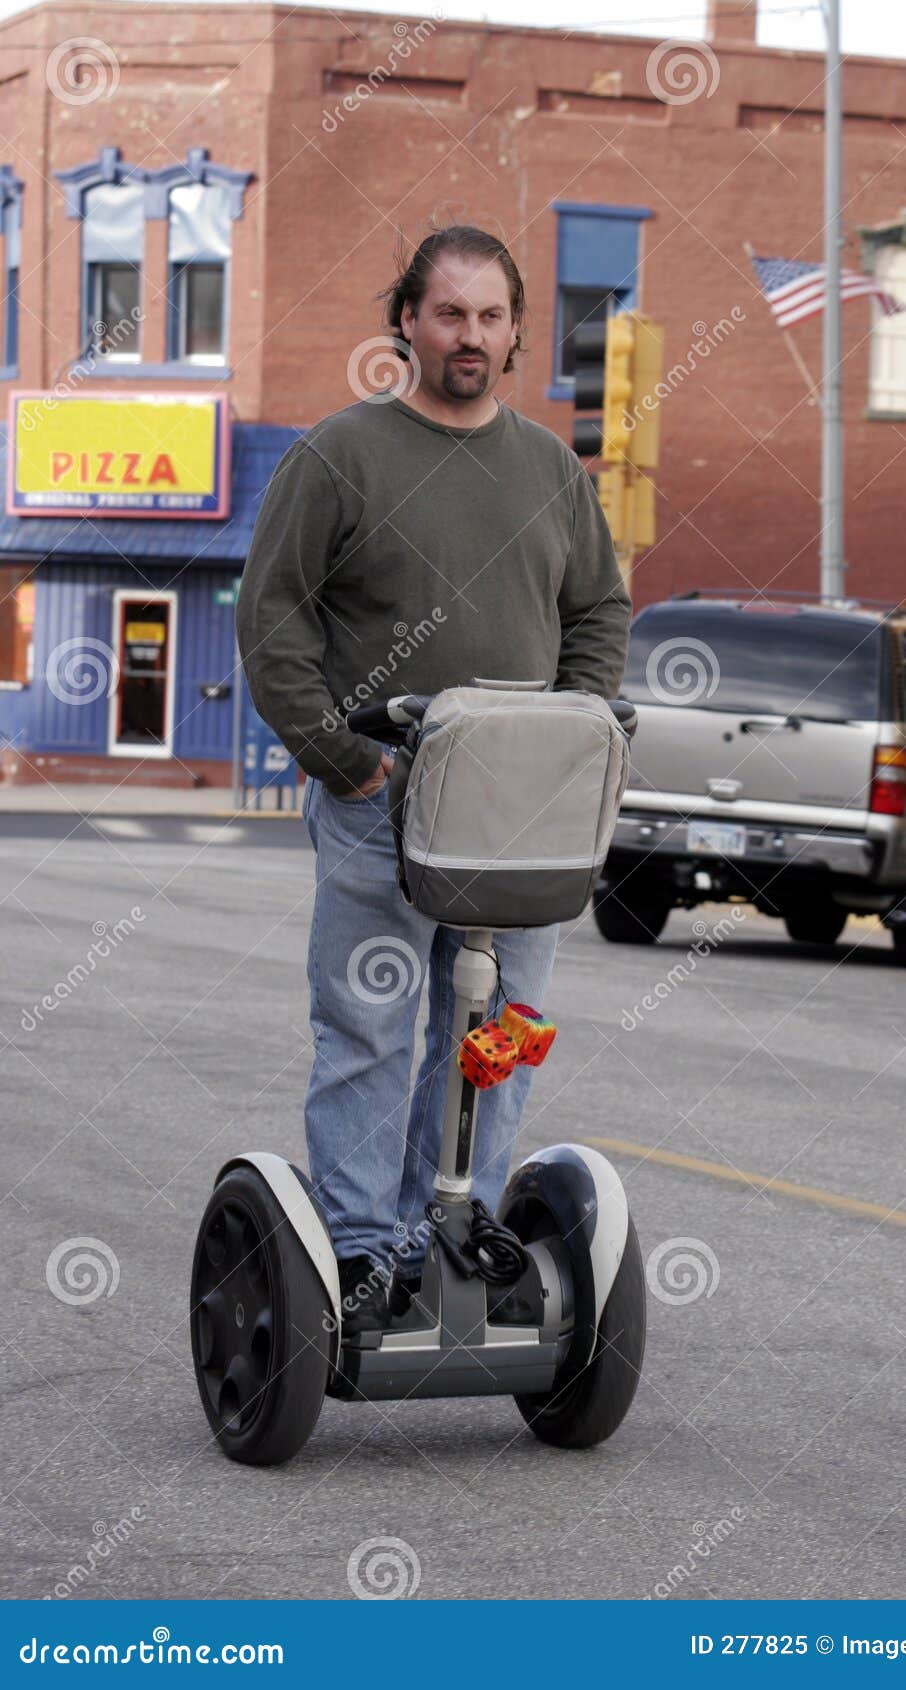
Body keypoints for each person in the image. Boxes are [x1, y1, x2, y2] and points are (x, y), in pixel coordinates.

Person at [236, 223, 631, 1344]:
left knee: (499, 1028)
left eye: (492, 316)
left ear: (514, 333)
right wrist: (345, 761)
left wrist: (573, 722)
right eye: (448, 312)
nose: (471, 335)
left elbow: (597, 608)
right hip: (382, 806)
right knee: (366, 1030)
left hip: (522, 813)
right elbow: (272, 626)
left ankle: (444, 1227)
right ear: (405, 319)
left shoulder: (549, 468)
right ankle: (362, 1247)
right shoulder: (338, 457)